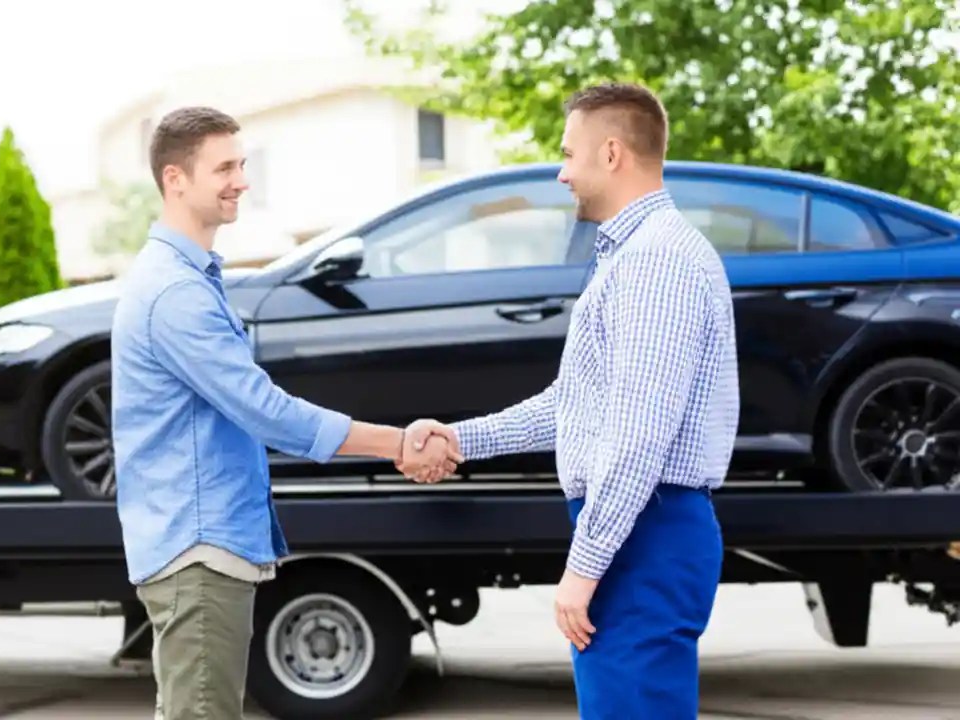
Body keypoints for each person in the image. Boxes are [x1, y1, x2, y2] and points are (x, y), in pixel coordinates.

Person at [110, 105, 458, 720]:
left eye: (242, 164)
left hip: (202, 543)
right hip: (197, 548)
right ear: (175, 179)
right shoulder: (175, 292)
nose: (241, 179)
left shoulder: (190, 278)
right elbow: (264, 410)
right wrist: (396, 443)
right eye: (224, 167)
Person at [405, 82, 740, 718]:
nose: (561, 174)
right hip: (639, 528)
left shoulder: (655, 263)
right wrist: (461, 439)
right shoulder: (635, 255)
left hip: (645, 530)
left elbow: (639, 436)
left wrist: (582, 570)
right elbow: (579, 403)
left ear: (611, 154)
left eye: (568, 154)